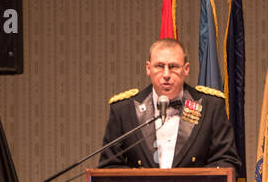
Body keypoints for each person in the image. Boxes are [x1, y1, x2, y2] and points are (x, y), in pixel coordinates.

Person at [99, 37, 240, 172]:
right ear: (148, 68)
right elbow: (109, 166)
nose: (166, 74)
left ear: (186, 69)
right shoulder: (124, 110)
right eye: (159, 66)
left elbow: (227, 162)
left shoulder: (211, 107)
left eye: (173, 67)